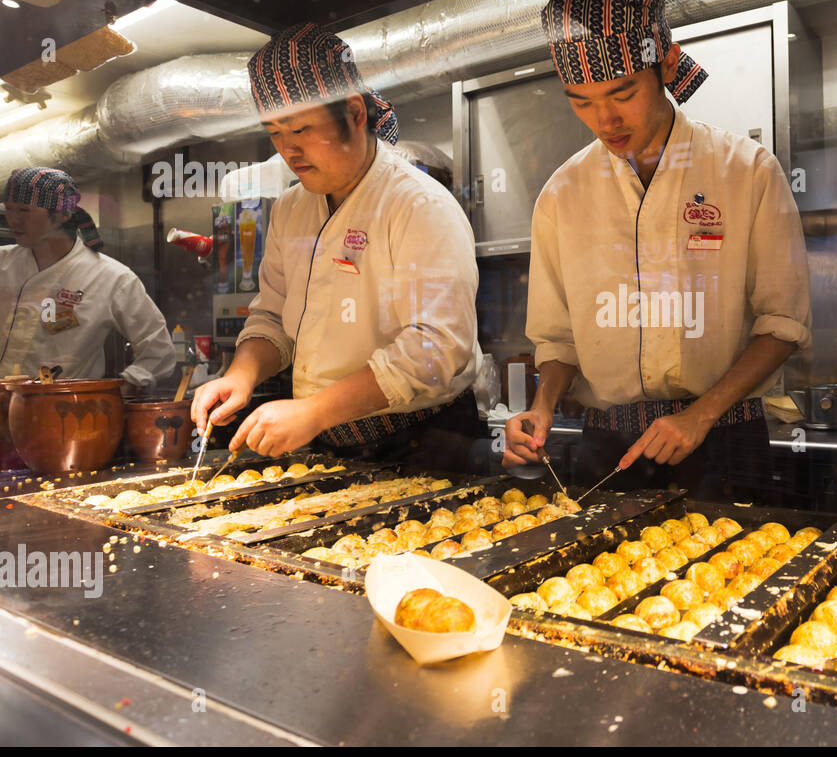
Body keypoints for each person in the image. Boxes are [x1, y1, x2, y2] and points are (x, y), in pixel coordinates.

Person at [502, 0, 811, 501]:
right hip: (608, 444)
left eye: (622, 92)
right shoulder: (562, 194)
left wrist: (700, 414)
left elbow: (782, 323)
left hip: (724, 437)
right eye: (580, 101)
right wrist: (542, 404)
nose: (604, 118)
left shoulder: (746, 170)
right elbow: (557, 340)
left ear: (666, 64)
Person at [191, 24, 483, 470]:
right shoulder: (291, 209)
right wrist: (240, 375)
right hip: (330, 445)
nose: (289, 150)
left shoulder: (417, 203)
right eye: (274, 133)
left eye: (302, 129)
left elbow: (437, 348)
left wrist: (313, 411)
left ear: (354, 113)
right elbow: (273, 315)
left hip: (425, 443)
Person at [0, 167, 175, 391]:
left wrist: (116, 392)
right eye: (9, 210)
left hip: (63, 412)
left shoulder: (111, 278)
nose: (13, 220)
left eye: (24, 211)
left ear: (61, 215)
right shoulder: (3, 263)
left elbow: (158, 351)